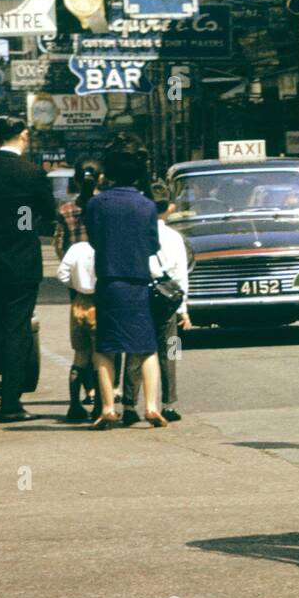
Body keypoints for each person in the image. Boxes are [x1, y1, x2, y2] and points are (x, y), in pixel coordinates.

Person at [0, 116, 56, 422]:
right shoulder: (32, 172)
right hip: (21, 265)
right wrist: (24, 221)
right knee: (16, 332)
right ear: (23, 136)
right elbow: (46, 213)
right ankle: (10, 403)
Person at [84, 137, 163, 429]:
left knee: (105, 347)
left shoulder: (96, 204)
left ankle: (107, 408)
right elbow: (153, 245)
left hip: (108, 282)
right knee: (146, 347)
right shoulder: (147, 205)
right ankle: (152, 407)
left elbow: (93, 239)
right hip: (139, 283)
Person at [121, 180, 191, 423]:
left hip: (139, 293)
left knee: (135, 350)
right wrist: (183, 308)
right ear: (170, 208)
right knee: (171, 349)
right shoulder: (175, 237)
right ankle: (169, 403)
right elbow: (181, 274)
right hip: (167, 299)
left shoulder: (134, 233)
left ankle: (129, 405)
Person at [56, 233, 98, 424]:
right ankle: (99, 405)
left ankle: (74, 404)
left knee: (80, 355)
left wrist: (75, 284)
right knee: (100, 357)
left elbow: (62, 274)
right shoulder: (105, 247)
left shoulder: (77, 248)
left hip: (79, 302)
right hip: (99, 302)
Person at [54, 160, 100, 258]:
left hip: (75, 264)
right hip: (103, 263)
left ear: (75, 179)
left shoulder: (65, 209)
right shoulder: (107, 207)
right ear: (100, 179)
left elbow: (59, 244)